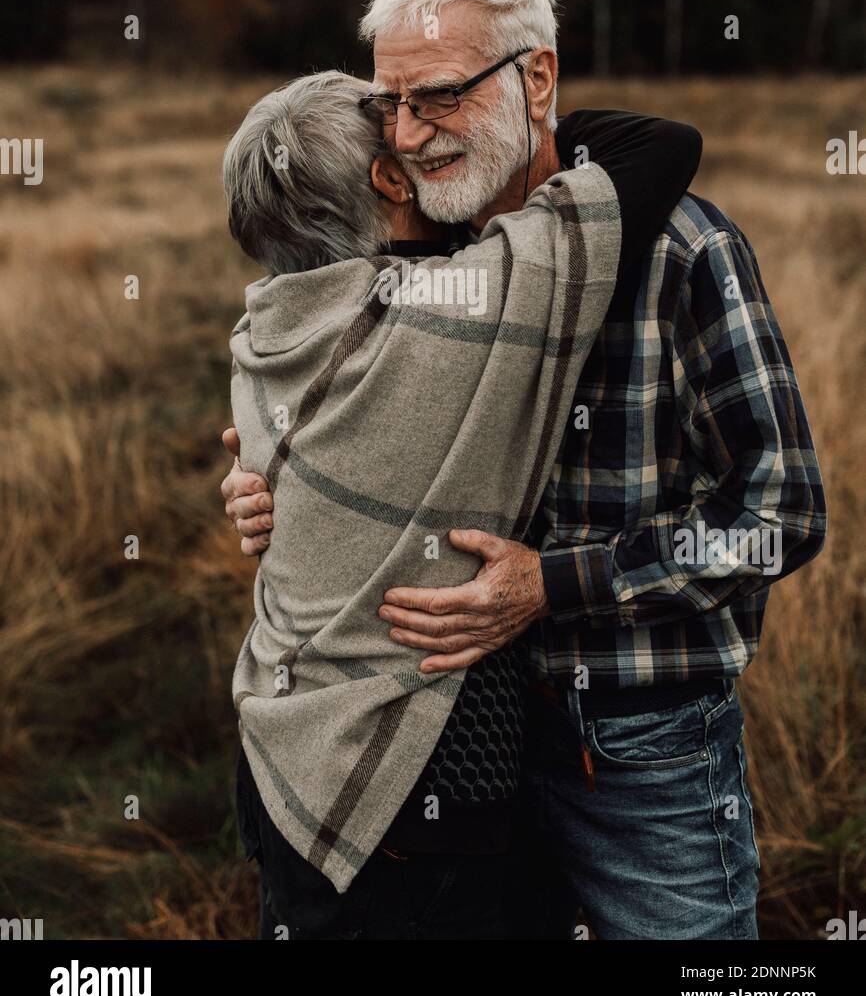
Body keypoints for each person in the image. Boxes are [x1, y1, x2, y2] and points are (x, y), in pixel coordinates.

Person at [225, 0, 826, 940]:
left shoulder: (681, 250)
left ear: (534, 77)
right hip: (464, 750)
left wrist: (556, 583)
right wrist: (268, 478)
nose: (411, 136)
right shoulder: (423, 251)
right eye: (390, 107)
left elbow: (777, 513)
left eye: (439, 97)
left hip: (638, 752)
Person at [223, 60, 699, 940]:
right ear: (385, 178)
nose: (418, 130)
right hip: (410, 791)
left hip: (281, 761)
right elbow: (666, 143)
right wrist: (486, 119)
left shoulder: (264, 330)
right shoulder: (460, 304)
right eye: (397, 124)